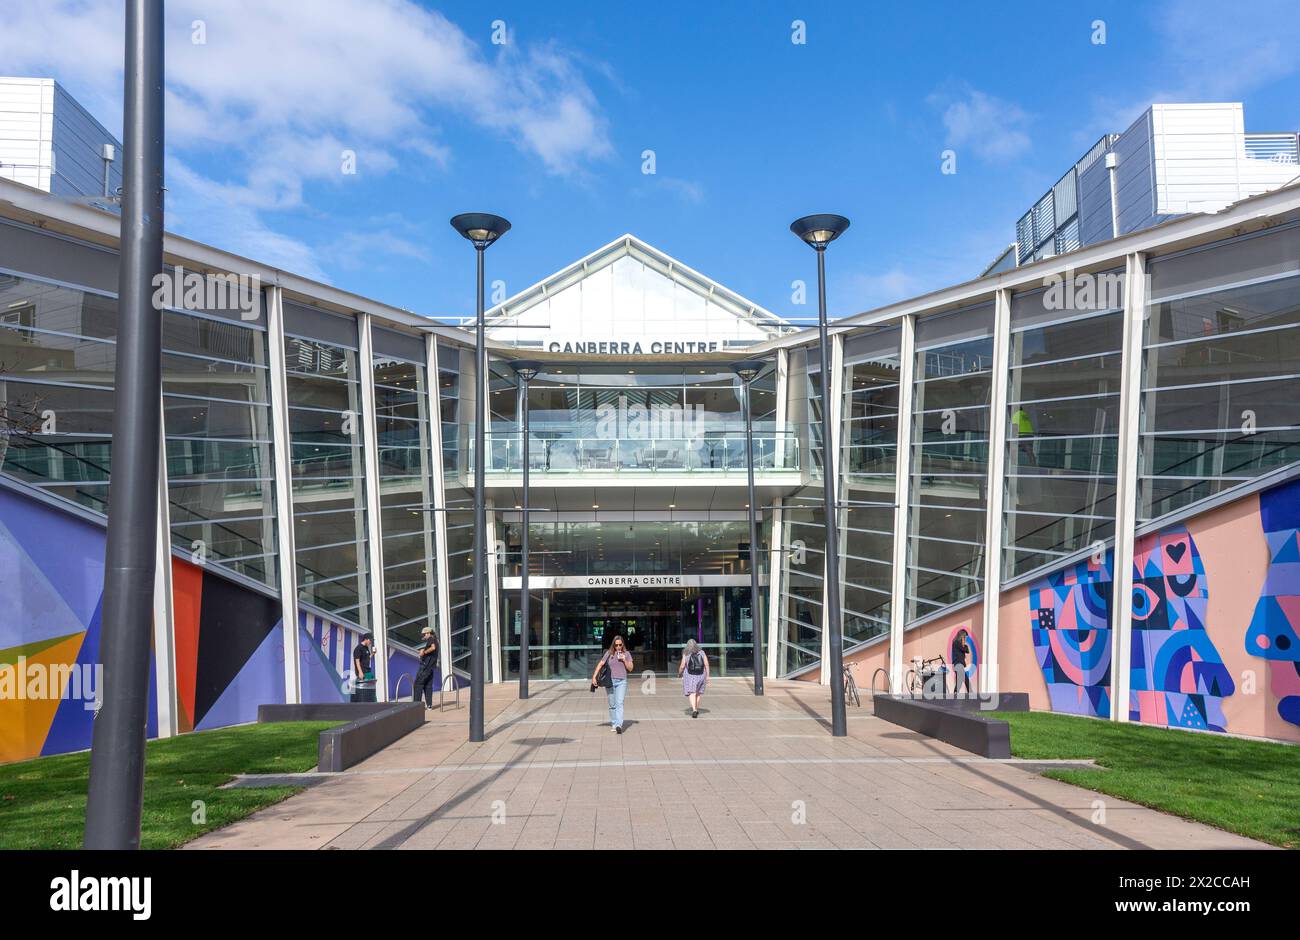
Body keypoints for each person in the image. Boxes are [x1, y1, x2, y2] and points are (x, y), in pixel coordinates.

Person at [590, 634, 633, 734]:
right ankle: (614, 723)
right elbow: (601, 664)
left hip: (622, 681)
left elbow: (630, 668)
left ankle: (618, 724)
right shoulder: (609, 653)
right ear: (613, 645)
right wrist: (594, 677)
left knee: (619, 703)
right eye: (616, 645)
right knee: (612, 704)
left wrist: (624, 660)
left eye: (620, 645)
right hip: (610, 681)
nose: (618, 647)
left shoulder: (626, 654)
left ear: (623, 644)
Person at [678, 638, 709, 718]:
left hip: (690, 675)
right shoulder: (702, 652)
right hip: (701, 675)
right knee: (698, 693)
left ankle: (694, 710)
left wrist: (679, 673)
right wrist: (707, 676)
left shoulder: (686, 653)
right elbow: (706, 664)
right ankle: (696, 709)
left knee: (692, 693)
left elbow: (682, 666)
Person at [413, 626, 438, 709]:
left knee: (418, 684)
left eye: (424, 634)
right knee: (428, 686)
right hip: (430, 667)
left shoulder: (431, 639)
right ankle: (429, 705)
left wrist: (424, 652)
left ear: (428, 633)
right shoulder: (435, 639)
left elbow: (433, 647)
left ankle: (417, 705)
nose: (423, 636)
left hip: (426, 666)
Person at [352, 634, 376, 703]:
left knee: (370, 690)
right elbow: (357, 661)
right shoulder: (358, 648)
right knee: (363, 692)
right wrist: (360, 672)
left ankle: (371, 703)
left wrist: (372, 654)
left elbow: (367, 658)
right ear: (366, 639)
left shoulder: (366, 648)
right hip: (362, 673)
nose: (370, 642)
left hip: (368, 672)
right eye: (370, 640)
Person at [951, 630, 972, 695]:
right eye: (964, 637)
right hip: (958, 664)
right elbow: (965, 649)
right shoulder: (956, 642)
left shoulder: (958, 643)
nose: (965, 638)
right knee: (966, 679)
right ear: (961, 636)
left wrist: (964, 645)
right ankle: (971, 693)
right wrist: (964, 644)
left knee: (959, 681)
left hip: (959, 664)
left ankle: (955, 693)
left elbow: (967, 650)